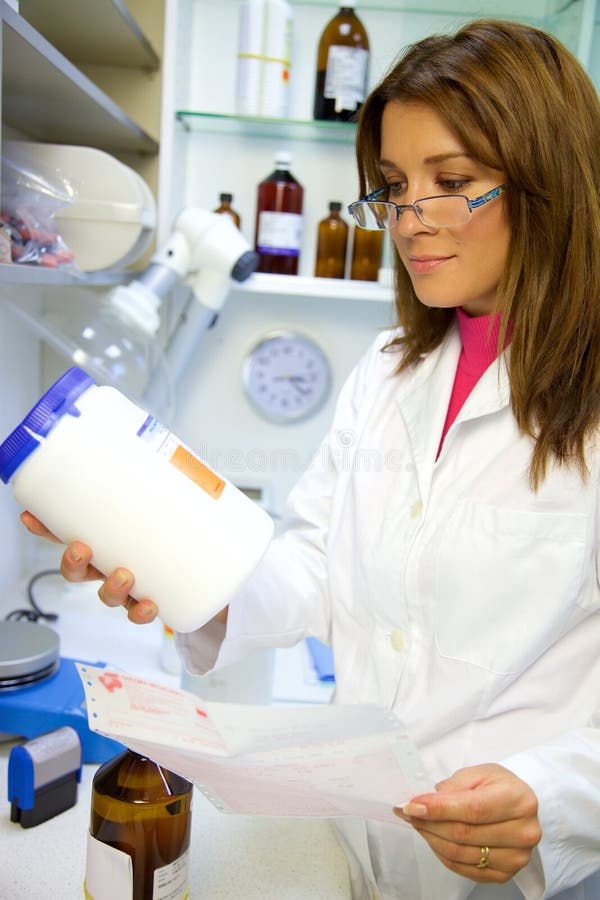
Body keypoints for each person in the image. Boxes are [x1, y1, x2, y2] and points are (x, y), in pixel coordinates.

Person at [22, 18, 600, 900]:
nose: (410, 221)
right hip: (361, 840)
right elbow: (317, 565)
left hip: (520, 872)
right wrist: (177, 574)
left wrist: (555, 798)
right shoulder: (388, 372)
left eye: (452, 183)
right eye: (396, 187)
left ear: (551, 182)